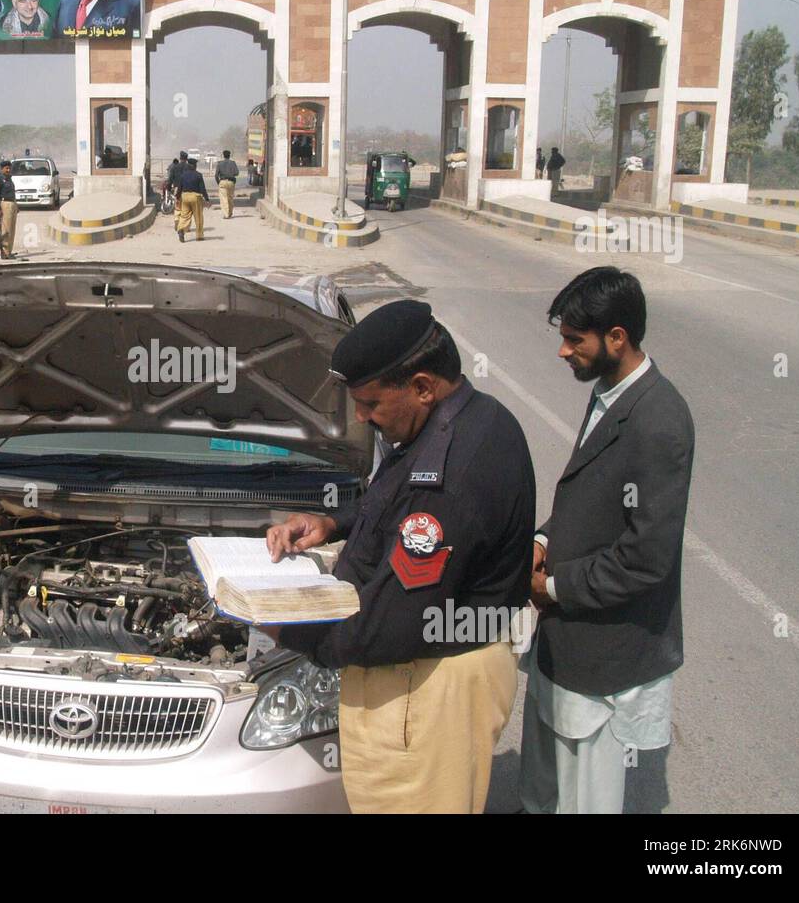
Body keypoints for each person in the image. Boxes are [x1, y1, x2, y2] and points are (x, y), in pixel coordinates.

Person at [264, 300, 536, 814]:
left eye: (370, 403)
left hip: (427, 688)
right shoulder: (469, 420)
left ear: (423, 386)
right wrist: (333, 524)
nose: (362, 417)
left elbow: (388, 625)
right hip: (434, 672)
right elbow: (393, 497)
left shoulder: (449, 476)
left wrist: (283, 629)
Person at [520, 267, 694, 814]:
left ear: (617, 337)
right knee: (545, 782)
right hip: (568, 639)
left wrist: (551, 586)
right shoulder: (610, 393)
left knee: (585, 795)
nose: (563, 352)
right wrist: (544, 540)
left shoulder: (659, 421)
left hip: (606, 652)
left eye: (575, 340)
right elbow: (588, 506)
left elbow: (646, 559)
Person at [175, 157, 209, 242]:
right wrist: (207, 199)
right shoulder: (198, 175)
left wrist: (177, 198)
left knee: (184, 216)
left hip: (185, 197)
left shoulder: (183, 175)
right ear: (195, 166)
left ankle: (181, 230)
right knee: (198, 217)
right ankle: (199, 236)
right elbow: (202, 189)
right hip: (195, 197)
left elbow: (179, 188)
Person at [0, 159, 18, 259]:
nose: (8, 170)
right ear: (1, 169)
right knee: (5, 229)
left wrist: (16, 206)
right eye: (6, 168)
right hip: (4, 204)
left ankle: (9, 251)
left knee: (12, 229)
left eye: (9, 168)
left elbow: (13, 194)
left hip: (12, 204)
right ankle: (4, 252)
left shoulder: (10, 180)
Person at [214, 149, 240, 219]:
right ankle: (230, 213)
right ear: (229, 155)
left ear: (223, 155)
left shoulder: (219, 163)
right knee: (230, 198)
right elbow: (237, 173)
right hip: (231, 182)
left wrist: (218, 182)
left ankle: (226, 214)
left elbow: (216, 175)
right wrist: (231, 174)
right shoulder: (233, 163)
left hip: (222, 182)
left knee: (224, 198)